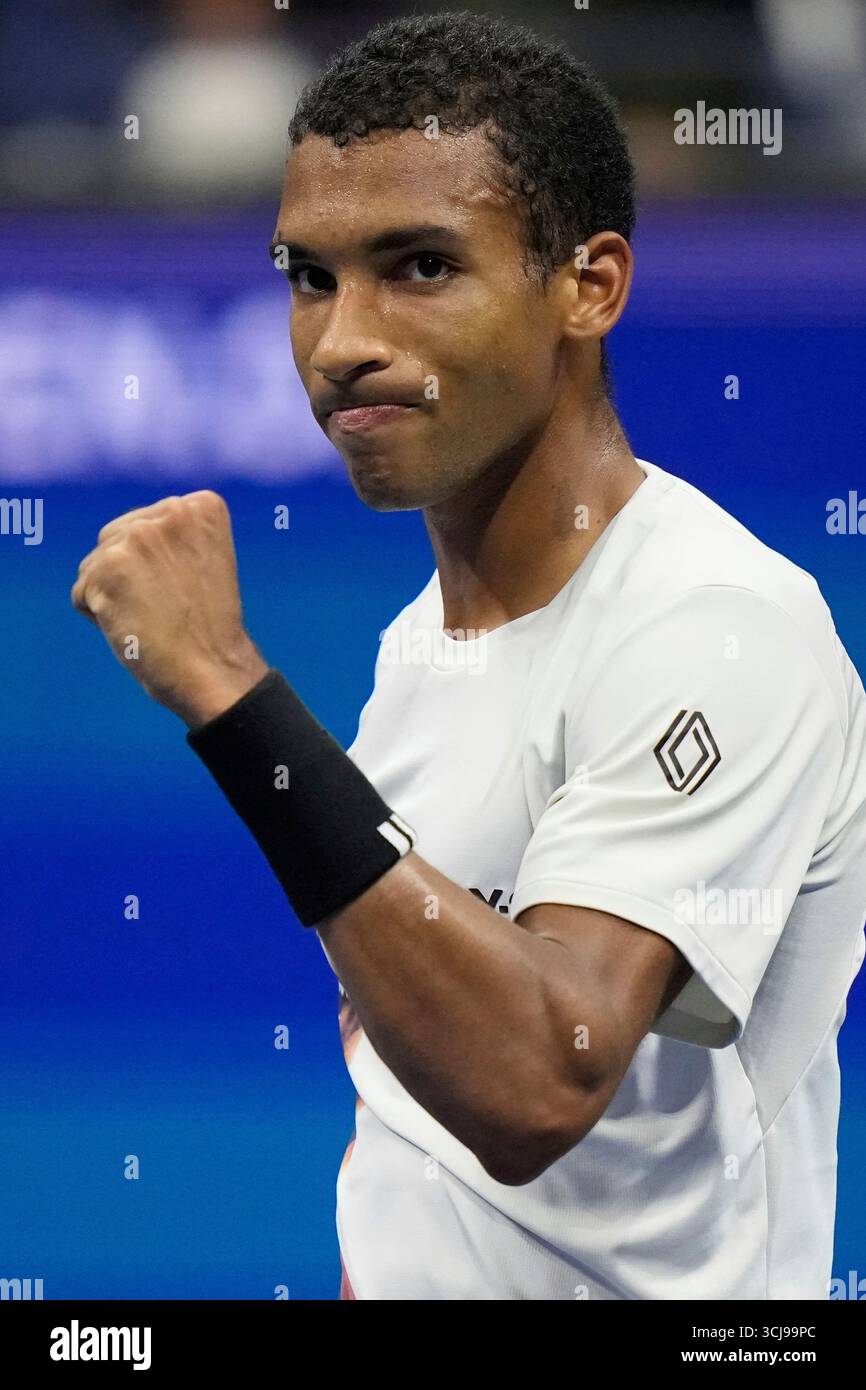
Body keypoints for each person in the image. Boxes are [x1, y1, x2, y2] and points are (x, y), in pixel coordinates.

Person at [72, 12, 866, 1300]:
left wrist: (224, 688)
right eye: (311, 275)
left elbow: (538, 1078)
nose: (340, 343)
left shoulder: (724, 625)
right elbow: (416, 1148)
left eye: (421, 267)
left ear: (589, 285)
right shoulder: (415, 654)